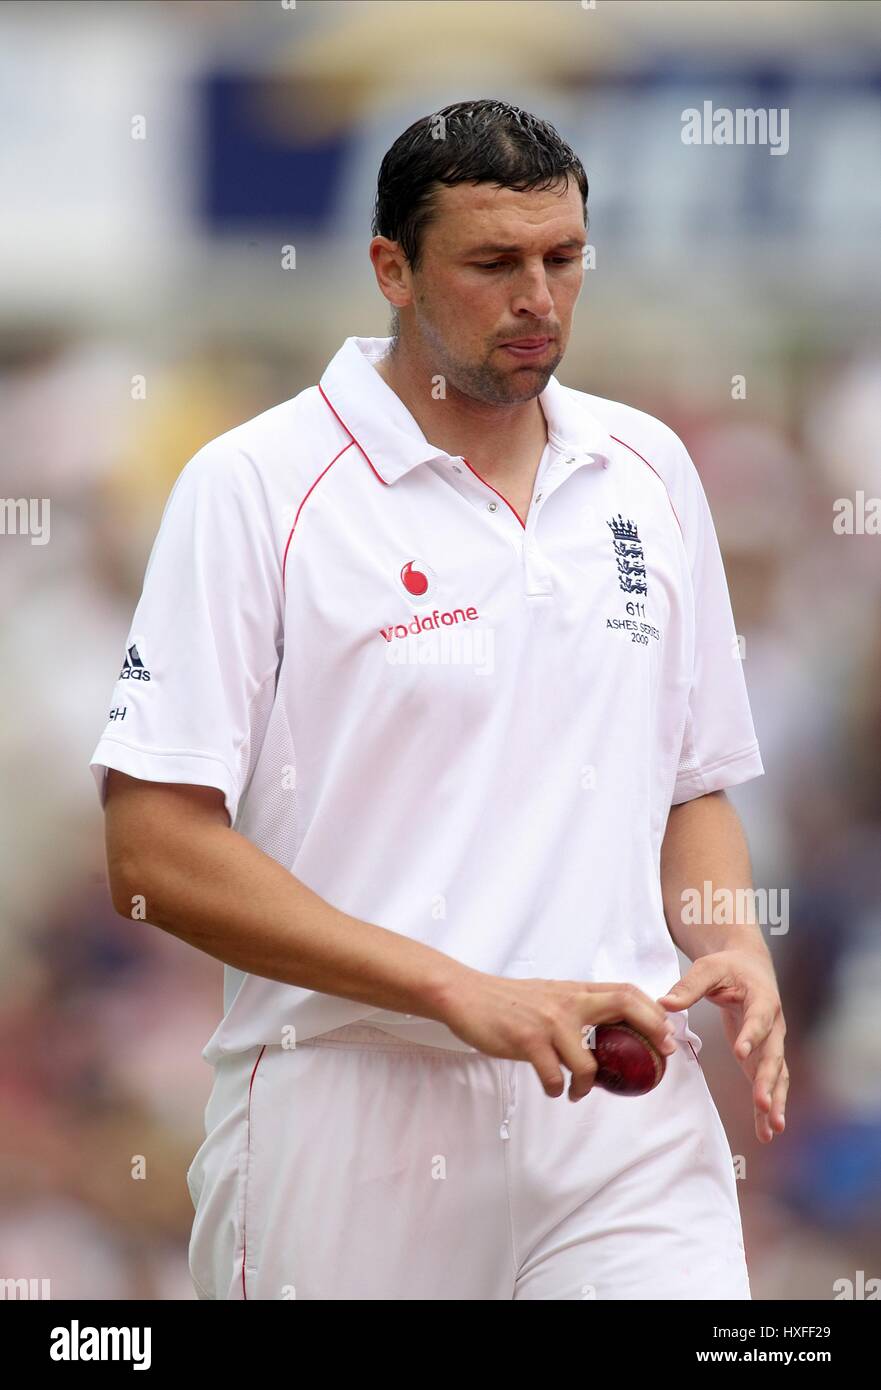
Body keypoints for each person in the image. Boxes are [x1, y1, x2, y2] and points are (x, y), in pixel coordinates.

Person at [92, 99, 787, 1301]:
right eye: (492, 264)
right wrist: (456, 987)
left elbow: (689, 782)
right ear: (391, 269)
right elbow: (152, 850)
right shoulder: (255, 487)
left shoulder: (648, 472)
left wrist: (730, 939)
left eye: (562, 259)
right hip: (345, 1107)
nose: (539, 298)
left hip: (616, 1110)